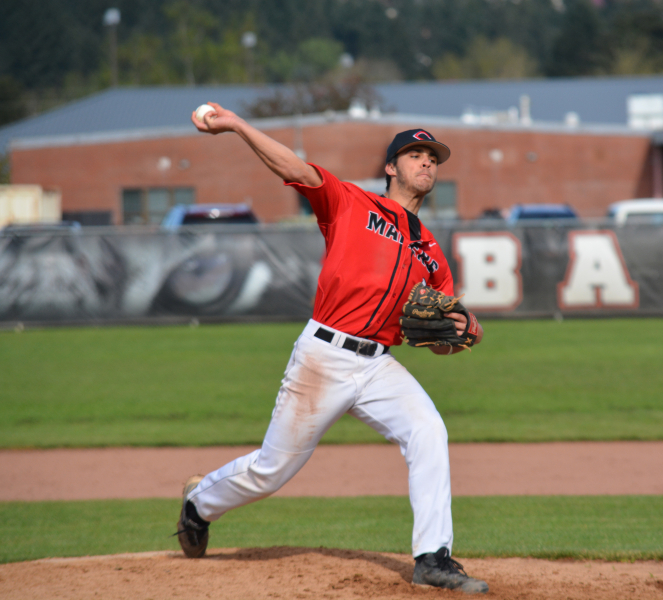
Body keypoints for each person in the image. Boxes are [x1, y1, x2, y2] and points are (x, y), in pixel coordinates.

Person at [177, 103, 488, 594]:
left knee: (429, 430)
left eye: (433, 157)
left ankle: (433, 558)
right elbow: (294, 169)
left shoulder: (430, 250)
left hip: (378, 365)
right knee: (271, 470)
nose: (426, 162)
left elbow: (438, 341)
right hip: (324, 356)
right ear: (391, 167)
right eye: (415, 153)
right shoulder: (351, 202)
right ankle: (199, 504)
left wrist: (464, 333)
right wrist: (237, 125)